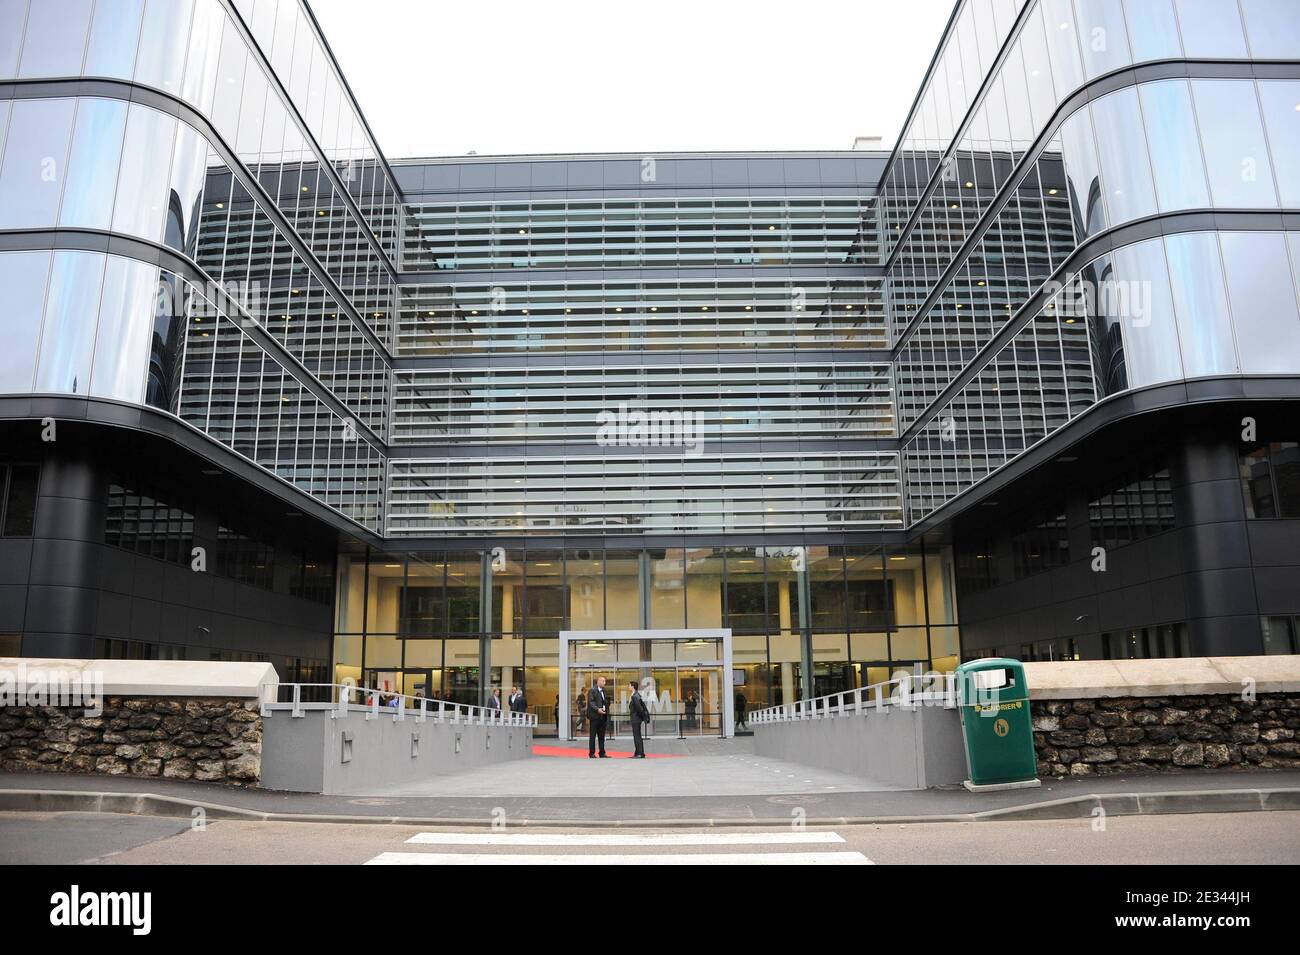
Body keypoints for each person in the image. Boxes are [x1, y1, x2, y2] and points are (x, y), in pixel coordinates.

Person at [587, 676, 609, 758]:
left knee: (601, 735)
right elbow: (591, 702)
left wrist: (606, 710)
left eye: (605, 681)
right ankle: (592, 753)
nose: (604, 683)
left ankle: (602, 753)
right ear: (598, 681)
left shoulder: (603, 691)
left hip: (602, 716)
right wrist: (597, 709)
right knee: (593, 735)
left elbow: (604, 702)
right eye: (603, 681)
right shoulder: (592, 690)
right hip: (595, 717)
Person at [627, 680, 650, 758]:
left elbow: (639, 708)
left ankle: (640, 753)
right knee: (637, 736)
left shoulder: (635, 696)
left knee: (637, 736)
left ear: (632, 686)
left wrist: (641, 717)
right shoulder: (635, 694)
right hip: (636, 718)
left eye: (629, 685)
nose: (628, 687)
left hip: (636, 718)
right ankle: (637, 753)